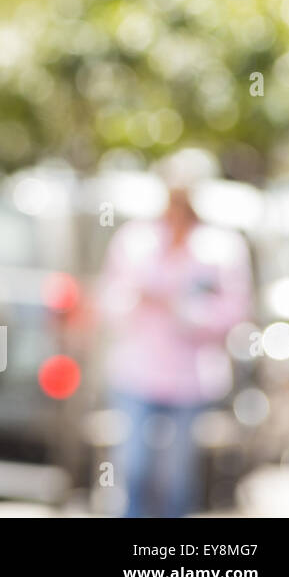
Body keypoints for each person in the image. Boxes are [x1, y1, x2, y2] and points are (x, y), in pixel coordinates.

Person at [96, 151, 251, 517]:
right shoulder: (135, 240)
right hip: (137, 374)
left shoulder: (222, 248)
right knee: (133, 471)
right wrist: (138, 301)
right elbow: (110, 299)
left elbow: (233, 314)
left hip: (190, 381)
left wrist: (180, 310)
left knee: (176, 479)